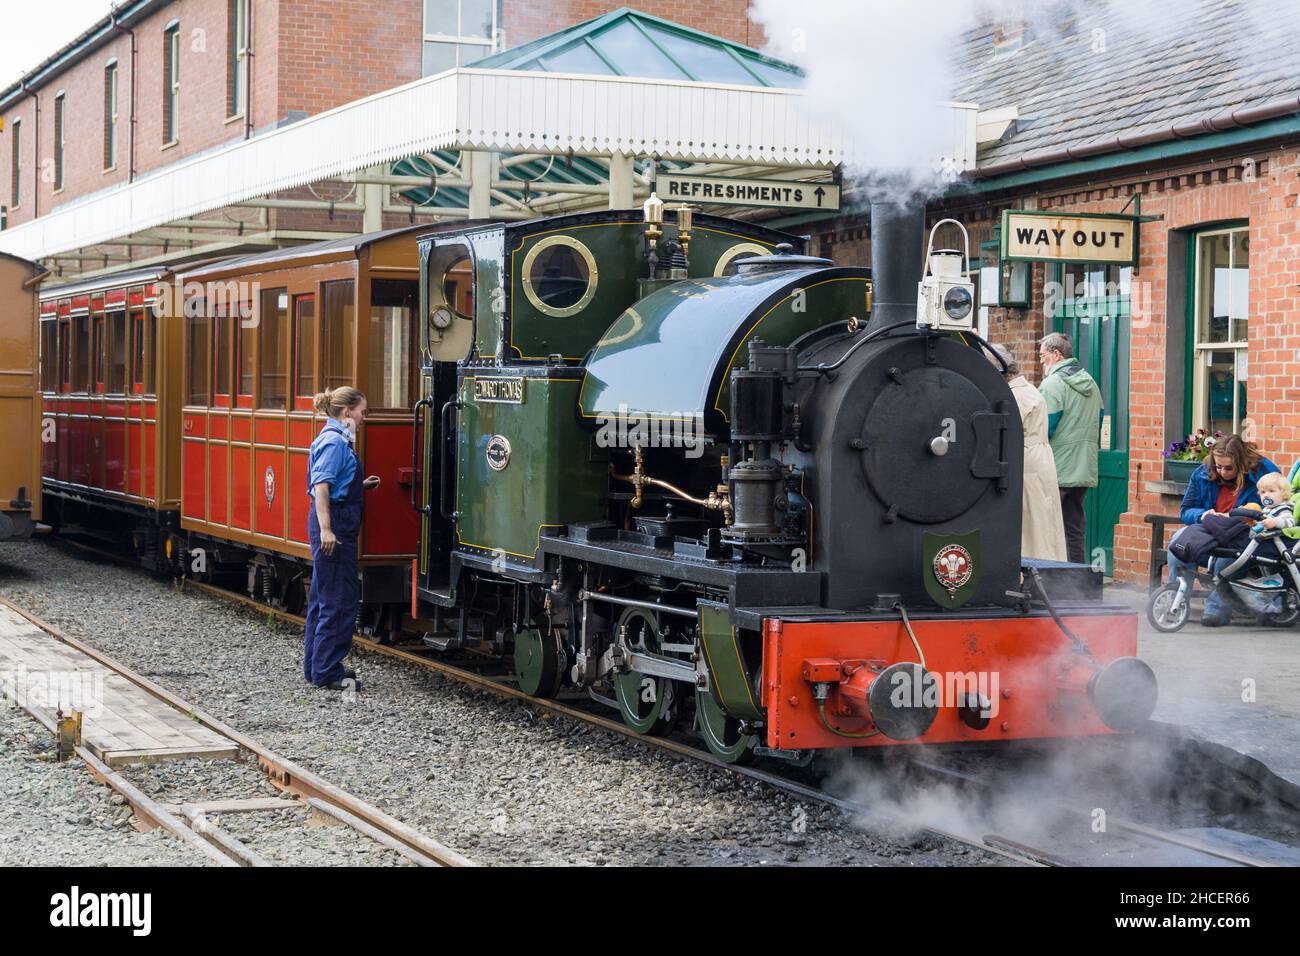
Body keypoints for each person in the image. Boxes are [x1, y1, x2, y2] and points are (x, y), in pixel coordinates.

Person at [304, 386, 381, 690]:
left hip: (334, 524)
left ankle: (316, 666)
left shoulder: (335, 439)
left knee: (322, 598)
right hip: (335, 529)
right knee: (339, 600)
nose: (363, 417)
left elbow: (333, 485)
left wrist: (359, 485)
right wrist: (326, 529)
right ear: (348, 411)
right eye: (362, 411)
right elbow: (321, 486)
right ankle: (327, 670)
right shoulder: (336, 442)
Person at [1166, 434, 1278, 626]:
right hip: (1208, 529)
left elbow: (1277, 504)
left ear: (1241, 463)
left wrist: (1248, 516)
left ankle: (1216, 609)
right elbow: (1186, 510)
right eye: (1218, 466)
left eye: (1229, 468)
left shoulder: (1262, 472)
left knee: (1225, 562)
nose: (1222, 472)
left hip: (1242, 535)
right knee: (1178, 542)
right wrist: (1203, 515)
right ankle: (1175, 600)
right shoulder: (1202, 473)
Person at [988, 343, 1067, 562]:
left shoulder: (1016, 396)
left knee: (1032, 520)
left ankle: (1034, 564)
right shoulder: (1030, 390)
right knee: (1043, 518)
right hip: (1039, 458)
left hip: (1026, 460)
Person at [1038, 332, 1103, 564]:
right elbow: (1099, 421)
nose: (1041, 361)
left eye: (1043, 356)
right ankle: (1077, 580)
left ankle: (1053, 583)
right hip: (1084, 467)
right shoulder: (1092, 383)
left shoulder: (1052, 384)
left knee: (1048, 530)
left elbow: (1044, 429)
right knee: (1074, 527)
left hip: (1057, 468)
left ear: (1056, 355)